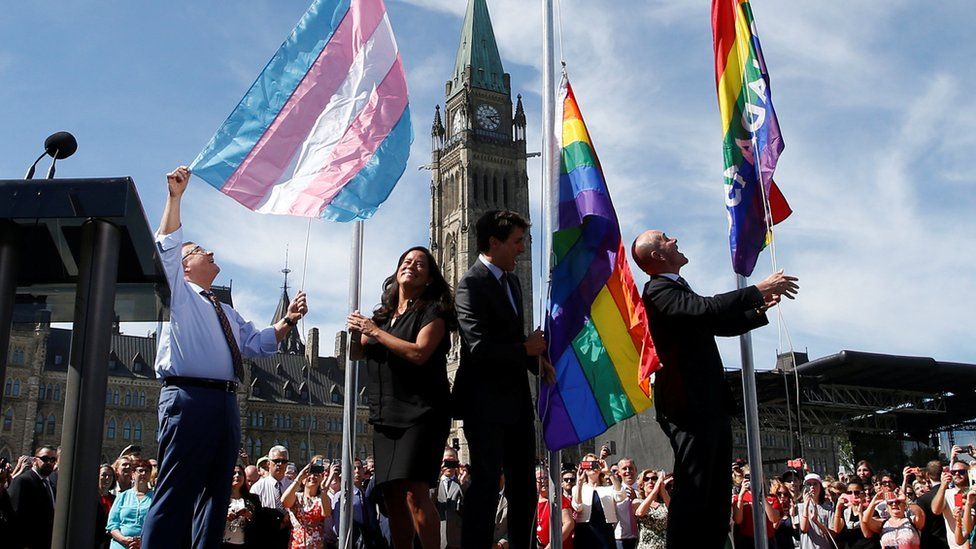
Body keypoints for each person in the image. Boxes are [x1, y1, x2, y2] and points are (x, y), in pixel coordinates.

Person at [141, 166, 308, 548]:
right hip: (189, 397)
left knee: (217, 495)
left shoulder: (225, 310)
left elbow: (258, 343)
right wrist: (175, 198)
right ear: (184, 268)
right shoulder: (178, 295)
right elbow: (166, 244)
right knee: (176, 490)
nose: (211, 253)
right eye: (201, 251)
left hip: (225, 400)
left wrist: (288, 320)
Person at [631, 230, 799, 548]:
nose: (675, 240)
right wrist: (757, 288)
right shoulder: (658, 291)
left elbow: (717, 323)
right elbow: (707, 309)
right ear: (656, 255)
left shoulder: (677, 291)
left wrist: (758, 307)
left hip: (707, 404)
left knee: (715, 492)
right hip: (688, 405)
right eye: (666, 238)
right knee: (695, 489)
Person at [452, 210, 554, 549]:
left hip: (517, 405)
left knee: (524, 486)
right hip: (485, 405)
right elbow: (478, 346)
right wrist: (524, 347)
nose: (522, 249)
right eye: (517, 242)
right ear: (494, 243)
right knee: (485, 484)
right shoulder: (470, 284)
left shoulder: (512, 283)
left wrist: (535, 359)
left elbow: (513, 341)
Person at [346, 245, 456, 549]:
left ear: (430, 277)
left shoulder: (433, 310)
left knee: (415, 493)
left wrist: (374, 332)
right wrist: (357, 330)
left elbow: (420, 353)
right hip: (386, 415)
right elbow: (357, 353)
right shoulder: (382, 317)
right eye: (407, 261)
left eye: (421, 264)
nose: (412, 265)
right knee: (393, 497)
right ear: (397, 271)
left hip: (421, 413)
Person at [7, 445, 58, 548]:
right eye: (45, 459)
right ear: (35, 460)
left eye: (53, 460)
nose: (49, 463)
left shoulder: (51, 484)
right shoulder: (22, 481)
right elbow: (14, 517)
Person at [572, 454, 625, 548]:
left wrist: (609, 473)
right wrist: (579, 483)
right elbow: (577, 507)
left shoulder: (608, 488)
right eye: (589, 464)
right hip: (585, 531)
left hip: (605, 531)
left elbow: (620, 496)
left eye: (595, 464)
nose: (592, 467)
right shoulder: (577, 488)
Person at [282, 457, 334, 549]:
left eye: (316, 475)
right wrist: (299, 477)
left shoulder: (321, 498)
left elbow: (326, 513)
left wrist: (323, 489)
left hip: (316, 545)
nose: (313, 477)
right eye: (310, 474)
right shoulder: (296, 497)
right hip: (297, 544)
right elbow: (285, 501)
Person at [250, 446, 295, 548]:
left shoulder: (293, 487)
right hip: (266, 537)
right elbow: (253, 516)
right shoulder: (258, 487)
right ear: (268, 464)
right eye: (276, 461)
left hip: (289, 537)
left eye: (283, 461)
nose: (280, 464)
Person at [106, 459, 155, 549]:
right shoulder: (122, 496)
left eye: (146, 471)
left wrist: (143, 542)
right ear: (133, 474)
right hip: (120, 545)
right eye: (140, 471)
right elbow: (112, 525)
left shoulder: (155, 498)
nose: (143, 473)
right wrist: (124, 539)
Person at [731, 466, 781, 549]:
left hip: (768, 540)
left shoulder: (772, 498)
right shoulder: (739, 498)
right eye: (749, 477)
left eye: (756, 476)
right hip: (747, 540)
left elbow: (774, 519)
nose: (752, 479)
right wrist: (741, 496)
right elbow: (738, 520)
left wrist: (762, 497)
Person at [860, 490, 925, 549]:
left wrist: (906, 500)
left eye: (898, 502)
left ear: (904, 506)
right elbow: (866, 520)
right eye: (890, 503)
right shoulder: (883, 524)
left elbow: (921, 514)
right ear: (887, 508)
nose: (894, 504)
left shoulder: (912, 521)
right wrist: (873, 503)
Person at [933, 458, 971, 549]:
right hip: (956, 546)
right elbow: (935, 510)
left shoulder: (973, 493)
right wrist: (943, 486)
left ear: (969, 473)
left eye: (961, 472)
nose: (957, 474)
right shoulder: (947, 493)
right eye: (953, 472)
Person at [536, 466, 575, 549]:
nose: (544, 481)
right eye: (540, 478)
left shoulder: (559, 499)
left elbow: (569, 524)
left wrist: (552, 545)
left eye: (546, 477)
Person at [437, 447, 467, 549]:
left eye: (452, 462)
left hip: (458, 540)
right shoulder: (434, 484)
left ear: (457, 463)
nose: (449, 466)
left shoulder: (463, 483)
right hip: (437, 538)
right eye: (446, 462)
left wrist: (462, 483)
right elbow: (429, 501)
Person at [224, 464, 261, 548]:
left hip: (245, 543)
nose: (237, 475)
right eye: (234, 473)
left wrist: (250, 516)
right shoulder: (221, 498)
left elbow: (260, 521)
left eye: (240, 473)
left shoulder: (253, 499)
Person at [634, 470, 669, 549]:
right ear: (641, 485)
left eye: (654, 478)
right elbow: (639, 513)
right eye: (646, 479)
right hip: (646, 546)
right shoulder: (637, 502)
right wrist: (655, 490)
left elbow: (674, 513)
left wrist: (662, 487)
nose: (651, 481)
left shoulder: (664, 503)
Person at [797, 474, 833, 549]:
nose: (812, 487)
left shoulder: (828, 509)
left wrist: (816, 521)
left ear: (820, 487)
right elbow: (804, 528)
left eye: (815, 484)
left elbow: (832, 534)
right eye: (809, 484)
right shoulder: (799, 507)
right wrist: (806, 505)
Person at [614, 457, 640, 549]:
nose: (628, 471)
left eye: (631, 468)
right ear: (619, 472)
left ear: (636, 470)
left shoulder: (644, 490)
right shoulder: (614, 491)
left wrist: (636, 499)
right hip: (621, 539)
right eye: (624, 468)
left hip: (641, 537)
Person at [97, 464, 118, 549]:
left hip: (108, 542)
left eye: (110, 476)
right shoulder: (90, 498)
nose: (107, 478)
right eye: (104, 475)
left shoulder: (115, 499)